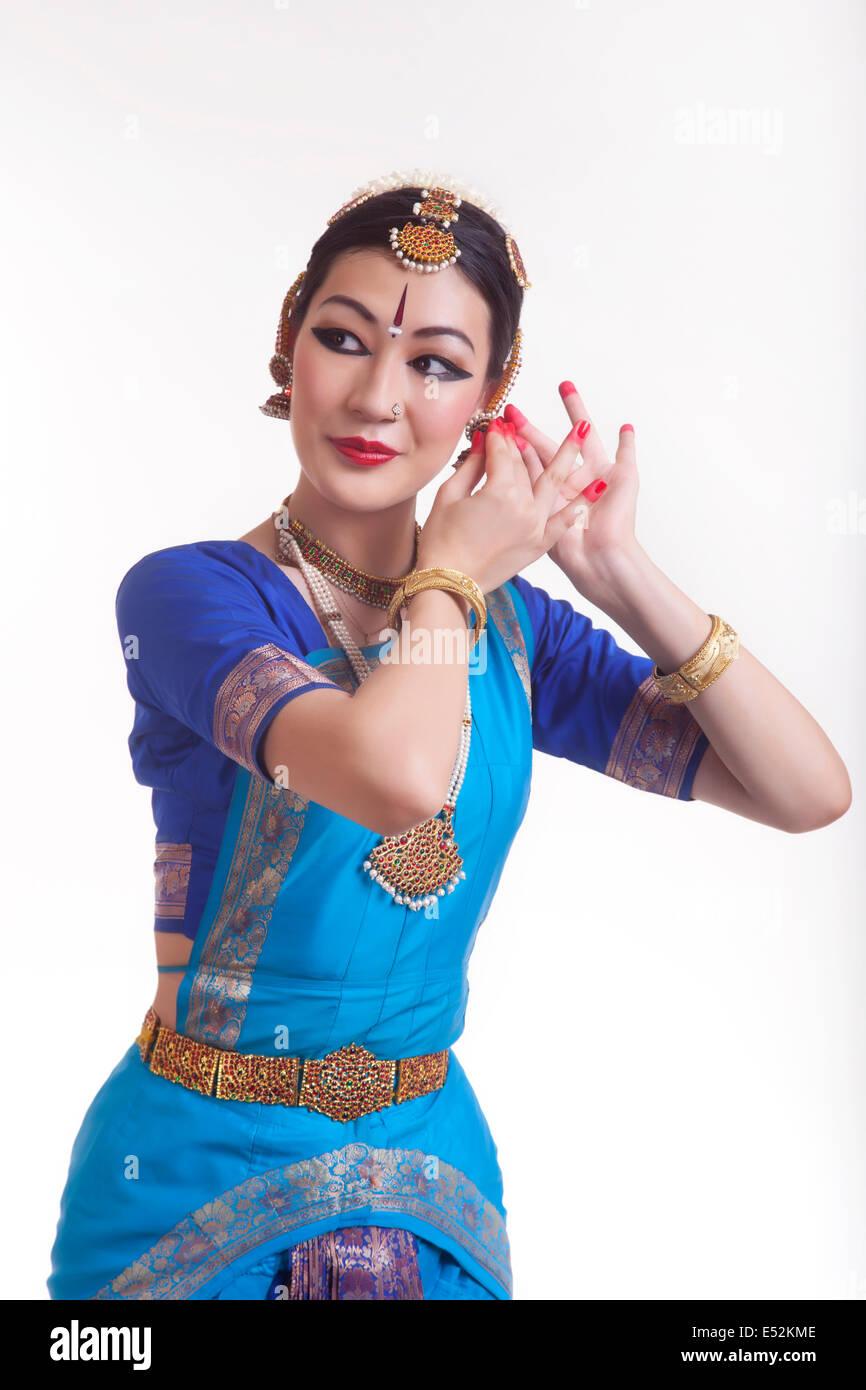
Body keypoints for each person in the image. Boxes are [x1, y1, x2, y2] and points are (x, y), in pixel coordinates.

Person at [47, 168, 852, 1302]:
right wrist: (452, 568)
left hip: (433, 1190)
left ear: (487, 398)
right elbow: (393, 773)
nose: (378, 397)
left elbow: (806, 789)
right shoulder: (191, 600)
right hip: (193, 1193)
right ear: (288, 345)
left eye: (433, 362)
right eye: (343, 337)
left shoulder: (510, 631)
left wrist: (617, 573)